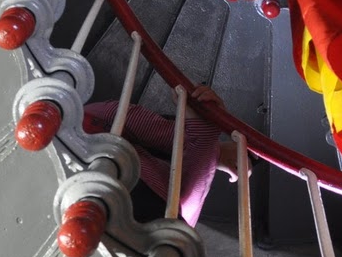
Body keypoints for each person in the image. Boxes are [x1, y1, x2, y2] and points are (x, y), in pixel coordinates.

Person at [81, 85, 237, 226]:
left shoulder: (95, 115)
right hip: (147, 200)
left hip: (154, 212)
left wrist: (211, 145)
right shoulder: (94, 115)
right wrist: (211, 144)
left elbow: (184, 214)